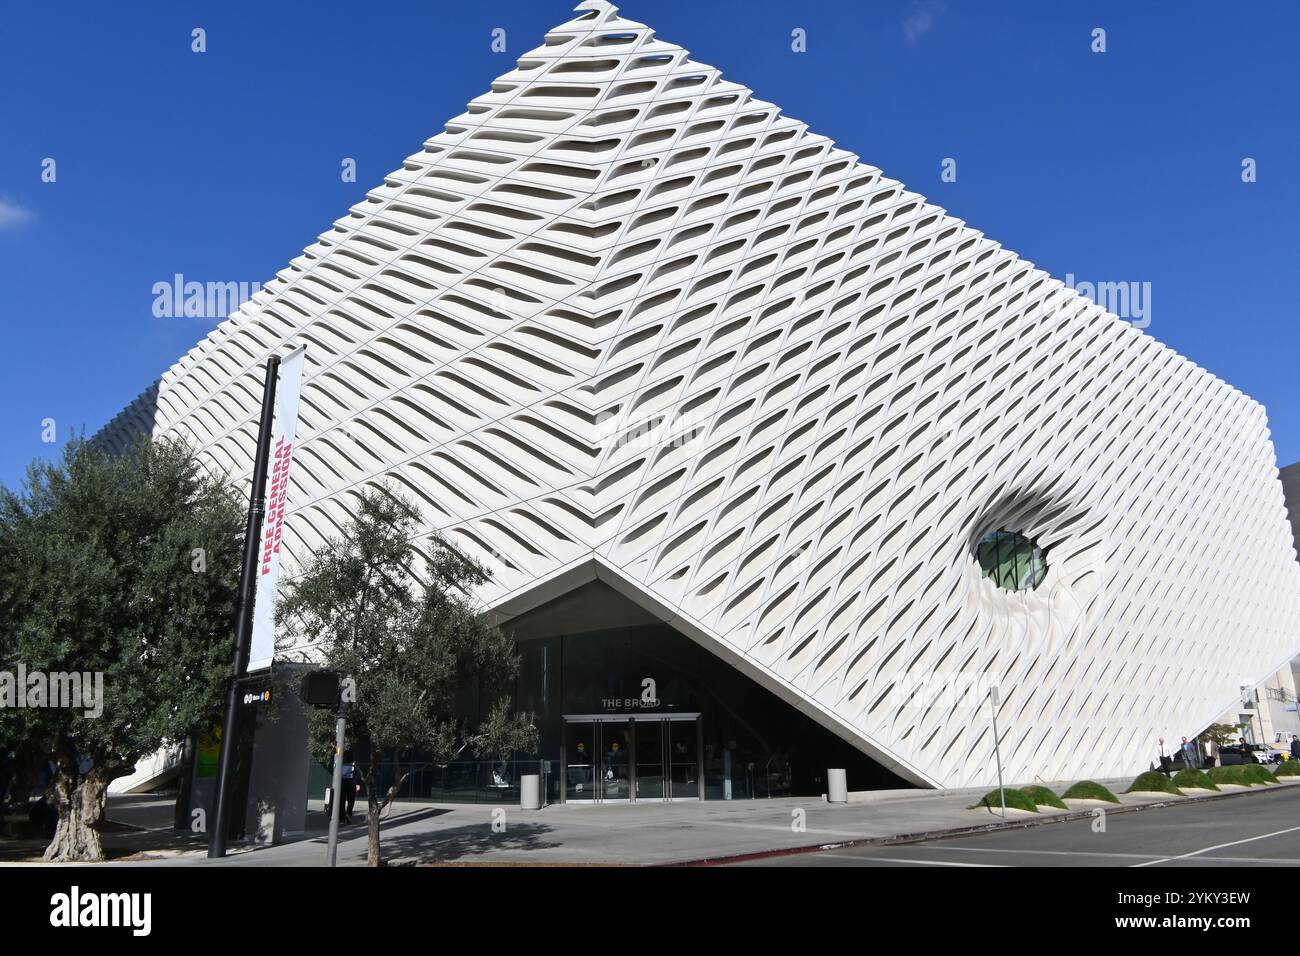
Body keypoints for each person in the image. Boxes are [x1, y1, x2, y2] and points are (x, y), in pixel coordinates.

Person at [340, 750, 358, 824]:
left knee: (342, 801)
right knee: (351, 801)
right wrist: (356, 783)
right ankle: (348, 815)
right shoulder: (354, 763)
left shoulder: (341, 762)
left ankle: (342, 818)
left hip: (343, 782)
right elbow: (357, 774)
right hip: (351, 782)